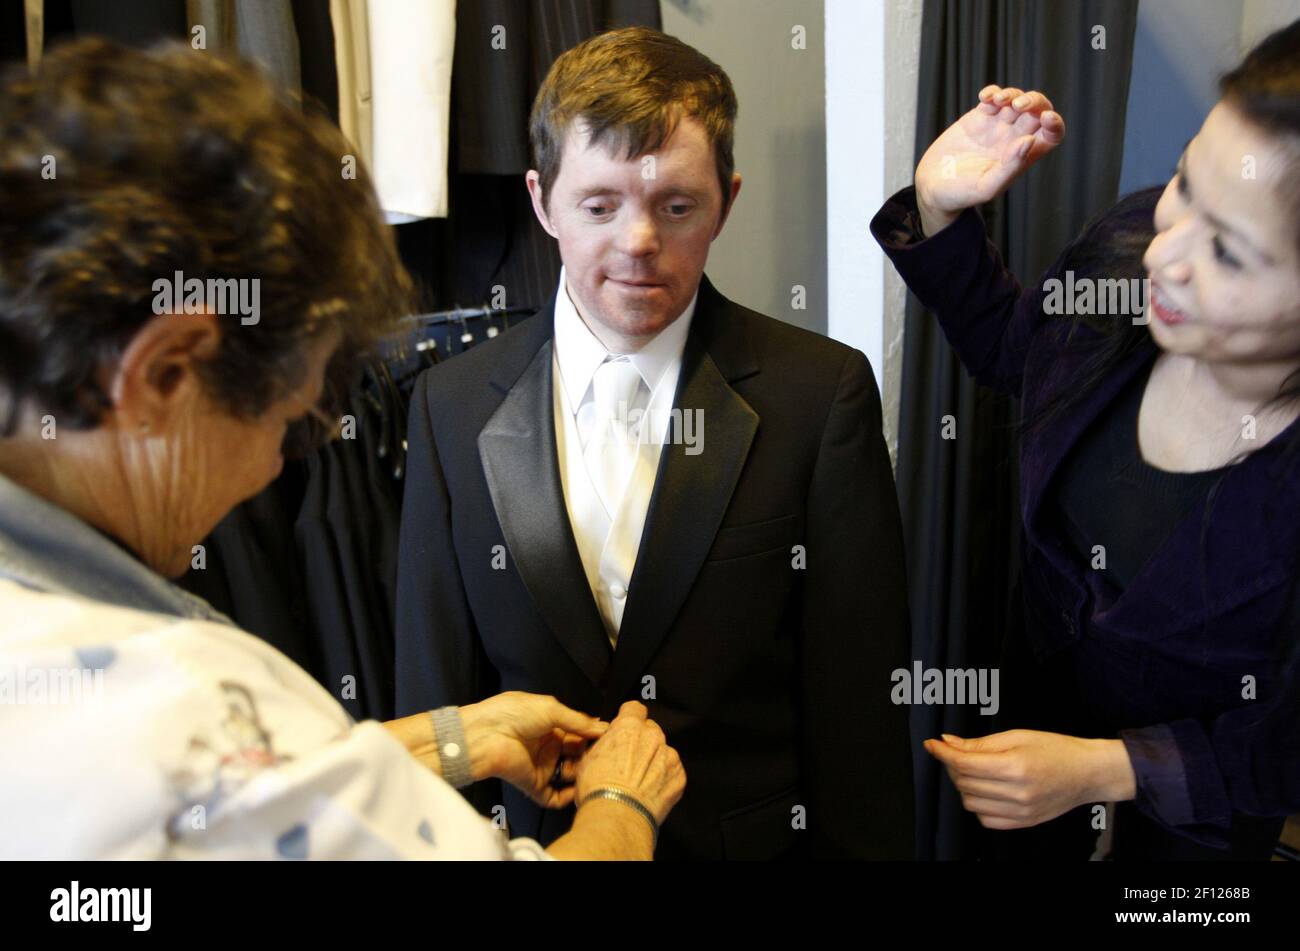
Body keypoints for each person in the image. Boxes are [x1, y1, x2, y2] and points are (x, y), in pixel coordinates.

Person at [0, 38, 684, 861]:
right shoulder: (177, 697)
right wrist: (621, 805)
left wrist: (451, 738)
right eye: (289, 416)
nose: (278, 464)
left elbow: (226, 797)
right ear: (166, 372)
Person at [395, 26, 914, 860]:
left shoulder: (819, 397)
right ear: (542, 199)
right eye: (600, 205)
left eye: (677, 206)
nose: (639, 242)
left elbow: (857, 717)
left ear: (727, 201)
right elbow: (437, 701)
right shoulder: (448, 407)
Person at [872, 19, 1300, 860]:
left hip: (1195, 843)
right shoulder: (1126, 254)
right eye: (1185, 181)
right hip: (1022, 765)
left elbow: (1284, 745)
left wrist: (1111, 769)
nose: (1166, 256)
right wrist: (940, 206)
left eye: (1230, 251)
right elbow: (1019, 353)